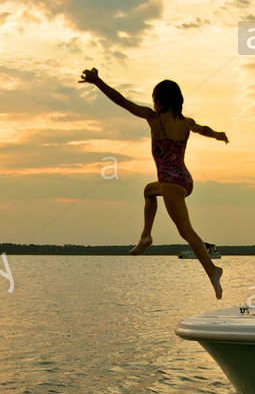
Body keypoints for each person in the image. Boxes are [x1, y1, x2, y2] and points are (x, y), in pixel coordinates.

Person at [80, 67, 228, 299]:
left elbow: (122, 102)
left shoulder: (155, 119)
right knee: (148, 191)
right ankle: (145, 236)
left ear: (159, 101)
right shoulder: (186, 122)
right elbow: (204, 129)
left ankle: (212, 271)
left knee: (186, 232)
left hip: (170, 183)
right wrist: (218, 135)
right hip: (184, 180)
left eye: (154, 100)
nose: (153, 103)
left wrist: (98, 82)